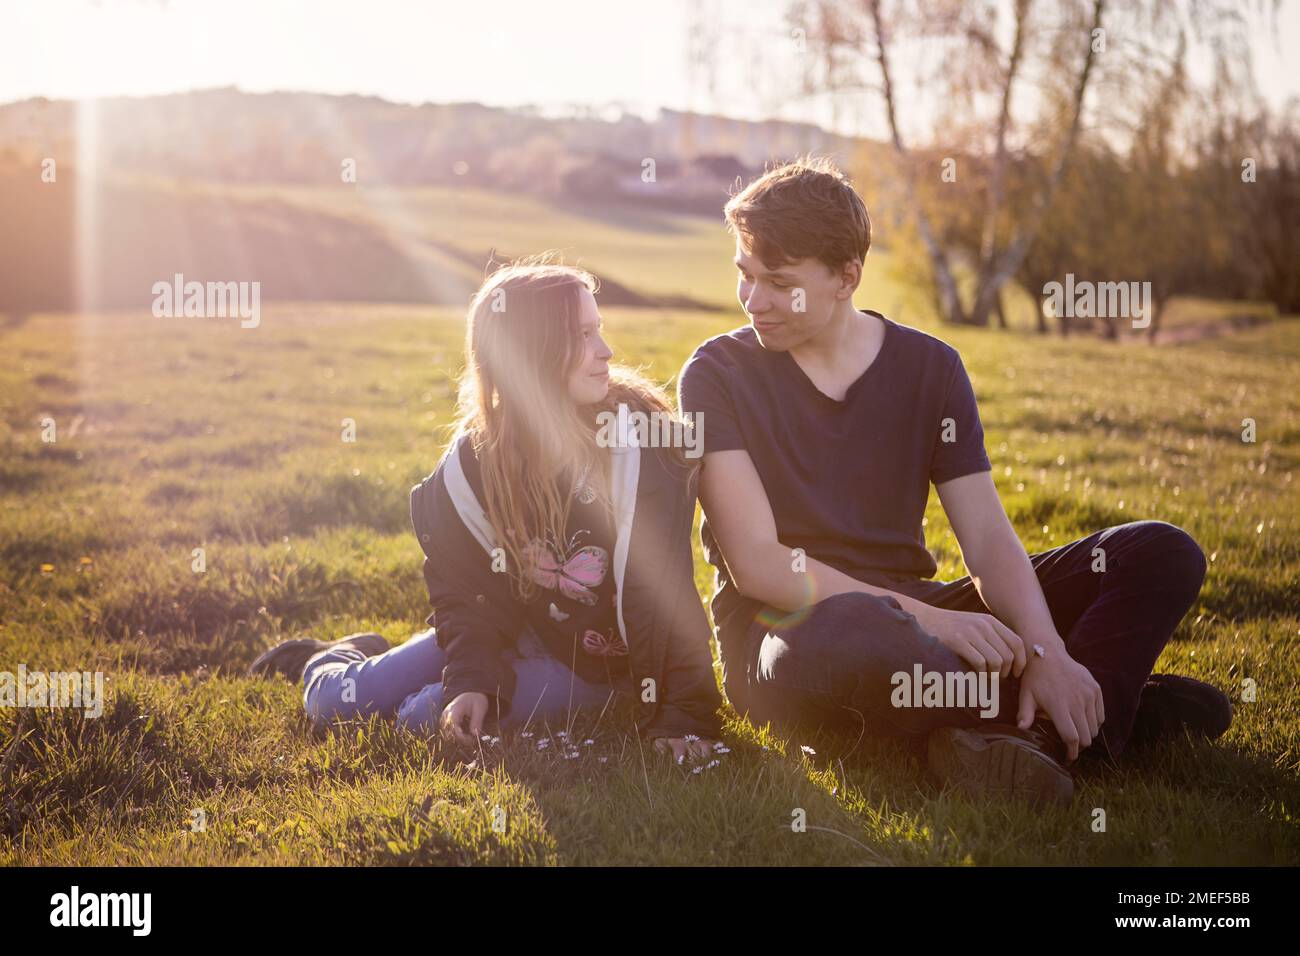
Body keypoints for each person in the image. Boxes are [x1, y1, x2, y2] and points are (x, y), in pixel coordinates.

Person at [678, 157, 1232, 805]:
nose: (753, 300)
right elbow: (762, 567)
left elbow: (990, 542)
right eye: (745, 275)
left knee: (1161, 552)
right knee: (852, 629)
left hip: (920, 614)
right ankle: (1098, 708)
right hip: (790, 637)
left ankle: (1036, 728)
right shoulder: (716, 373)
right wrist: (937, 626)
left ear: (845, 277)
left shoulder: (931, 368)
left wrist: (1046, 649)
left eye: (778, 282)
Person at [252, 259, 723, 764]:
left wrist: (683, 716)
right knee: (330, 704)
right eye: (583, 335)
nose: (605, 351)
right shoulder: (474, 464)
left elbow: (671, 595)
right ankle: (333, 655)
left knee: (418, 719)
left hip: (597, 669)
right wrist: (473, 679)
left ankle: (433, 676)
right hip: (508, 631)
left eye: (599, 330)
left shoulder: (640, 448)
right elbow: (465, 594)